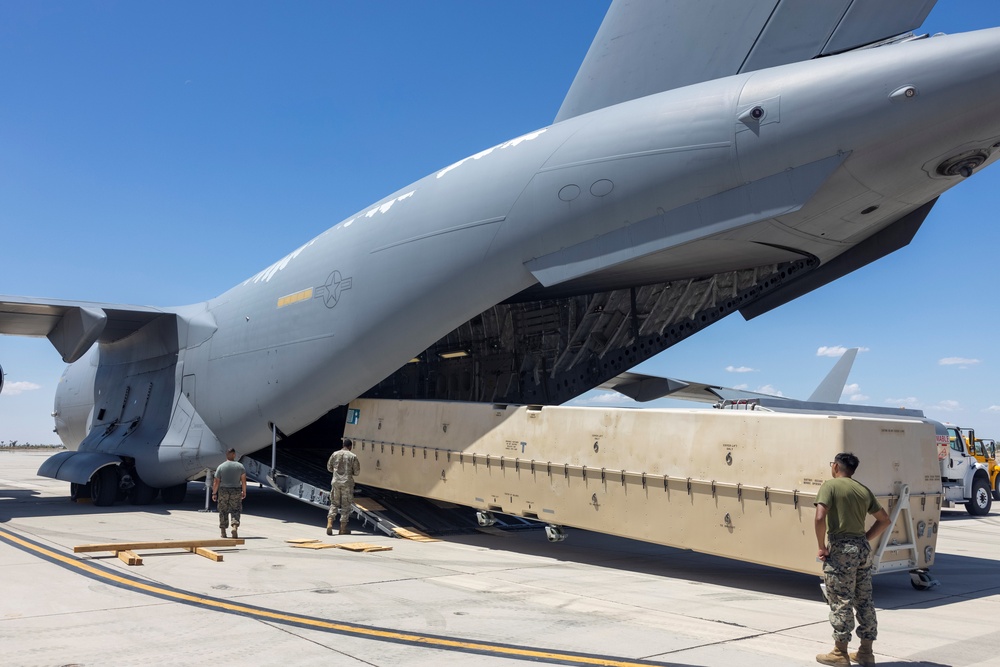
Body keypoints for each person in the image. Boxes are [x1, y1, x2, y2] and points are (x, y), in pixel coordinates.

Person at [814, 452, 891, 666]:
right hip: (862, 550)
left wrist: (821, 546)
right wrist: (864, 539)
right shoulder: (862, 490)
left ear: (836, 466)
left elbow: (820, 517)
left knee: (841, 600)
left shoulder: (830, 486)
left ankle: (840, 653)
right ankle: (866, 652)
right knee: (864, 599)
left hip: (840, 549)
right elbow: (884, 520)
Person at [327, 437, 360, 535]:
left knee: (334, 503)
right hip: (347, 484)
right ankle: (342, 528)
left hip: (336, 482)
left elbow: (329, 467)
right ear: (350, 446)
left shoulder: (335, 454)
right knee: (346, 506)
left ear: (343, 445)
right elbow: (357, 472)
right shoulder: (353, 456)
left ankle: (329, 523)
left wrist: (336, 472)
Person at [212, 448, 247, 539]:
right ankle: (234, 526)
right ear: (234, 455)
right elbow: (243, 481)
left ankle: (223, 532)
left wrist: (214, 493)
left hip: (223, 490)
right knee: (235, 509)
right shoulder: (240, 466)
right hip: (236, 490)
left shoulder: (221, 467)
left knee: (223, 510)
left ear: (226, 455)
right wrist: (244, 491)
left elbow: (216, 482)